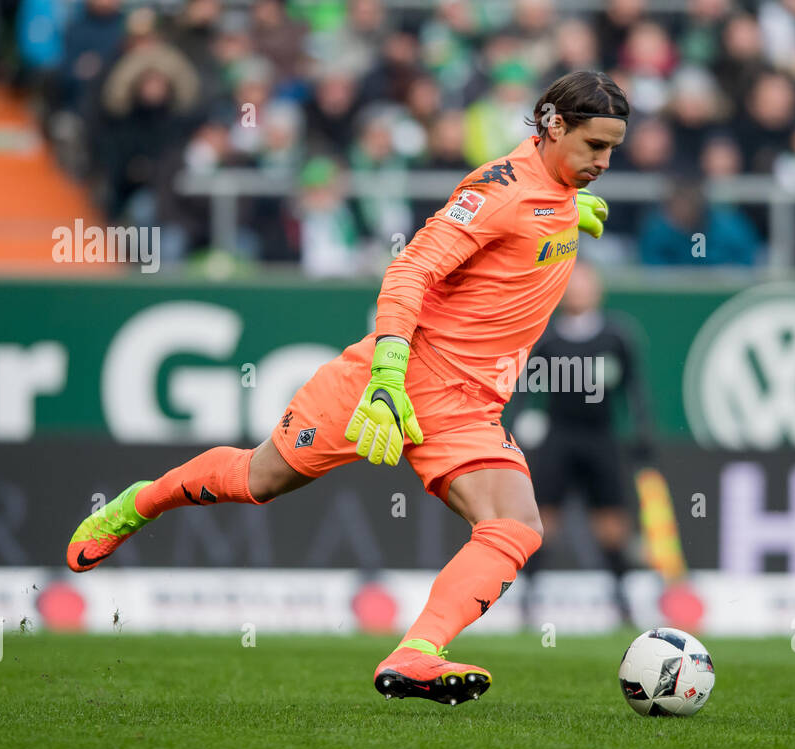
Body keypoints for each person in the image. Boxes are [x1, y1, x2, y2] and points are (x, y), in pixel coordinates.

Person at [64, 70, 628, 707]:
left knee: (516, 525)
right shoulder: (500, 190)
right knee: (260, 480)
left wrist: (561, 213)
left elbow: (522, 228)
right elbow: (410, 268)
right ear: (554, 127)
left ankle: (416, 652)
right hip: (394, 376)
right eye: (594, 147)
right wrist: (387, 377)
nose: (605, 162)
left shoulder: (547, 193)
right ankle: (141, 503)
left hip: (467, 406)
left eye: (612, 149)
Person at [504, 259, 655, 629]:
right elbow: (523, 387)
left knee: (612, 525)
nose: (577, 289)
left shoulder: (616, 337)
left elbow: (634, 390)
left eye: (584, 282)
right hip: (559, 438)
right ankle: (527, 600)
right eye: (571, 283)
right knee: (543, 521)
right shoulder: (547, 338)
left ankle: (621, 601)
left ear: (597, 289)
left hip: (600, 439)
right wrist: (514, 428)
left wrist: (642, 429)